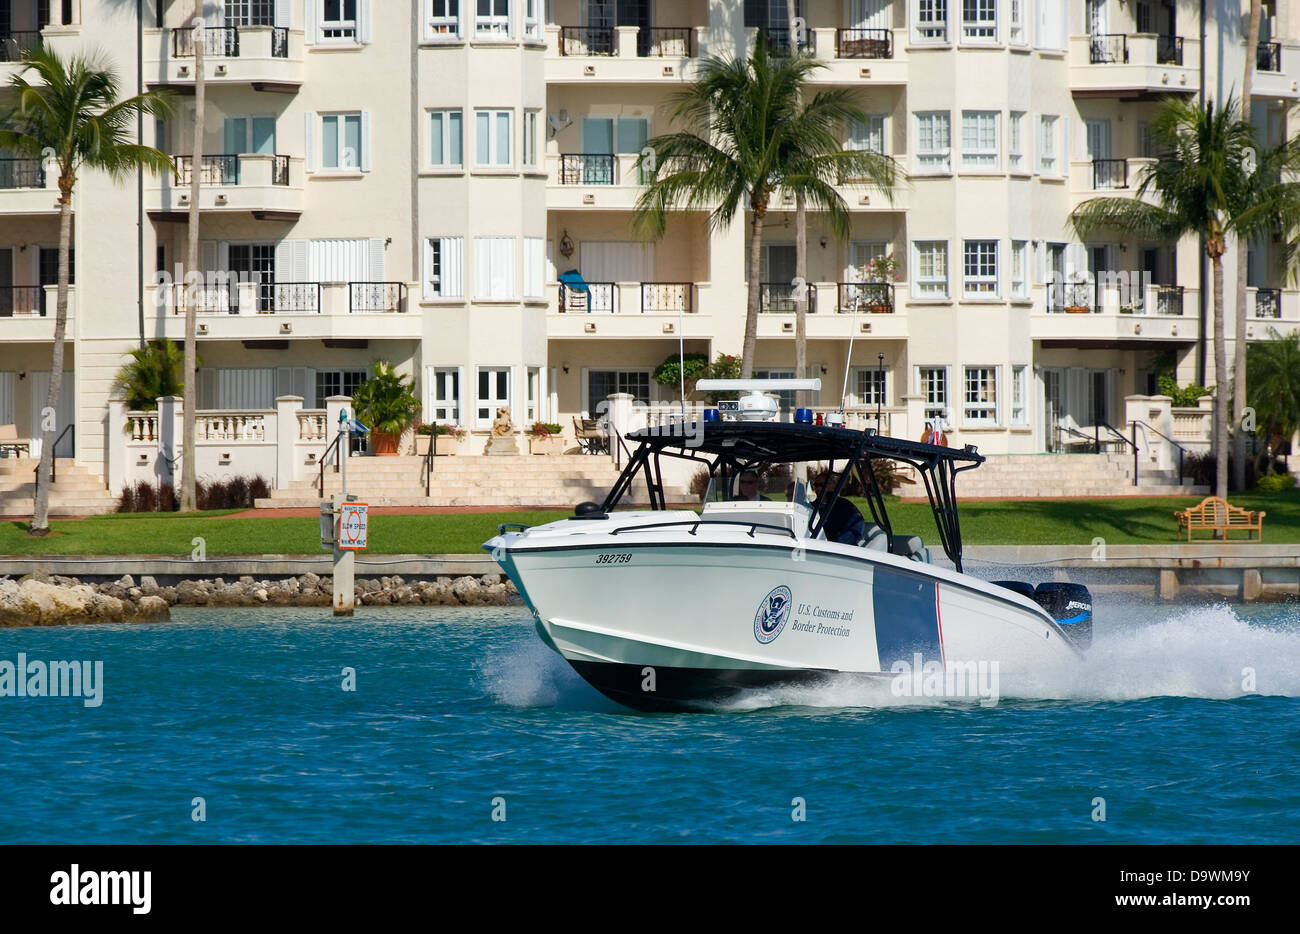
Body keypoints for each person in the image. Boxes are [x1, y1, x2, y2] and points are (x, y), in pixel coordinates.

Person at [813, 472, 867, 545]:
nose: (818, 488)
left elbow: (856, 526)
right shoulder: (812, 506)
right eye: (816, 485)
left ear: (834, 486)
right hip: (813, 545)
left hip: (837, 550)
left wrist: (835, 544)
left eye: (822, 485)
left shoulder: (846, 507)